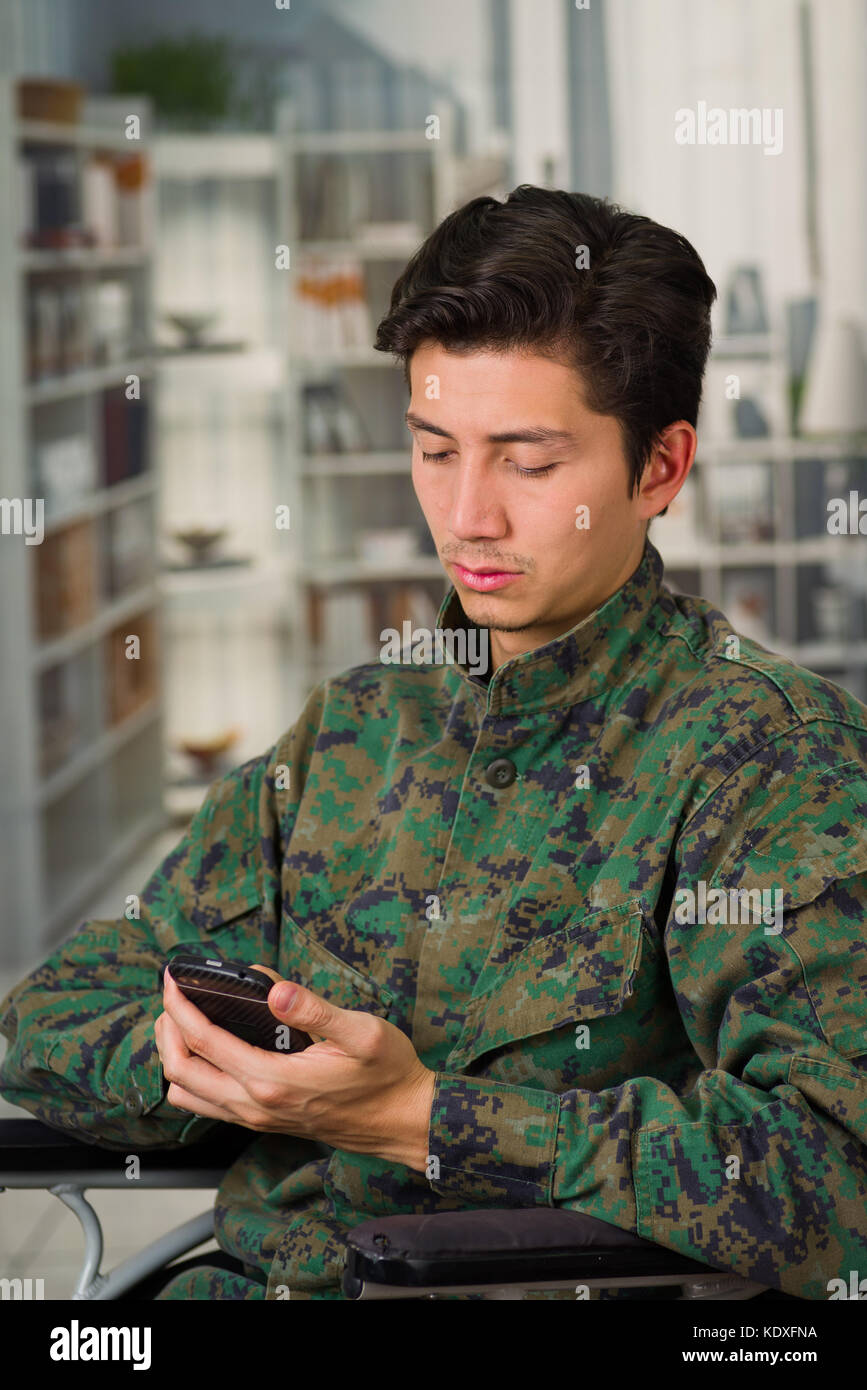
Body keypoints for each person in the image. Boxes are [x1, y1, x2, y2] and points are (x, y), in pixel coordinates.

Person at [3, 187, 866, 1302]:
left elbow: (835, 1180)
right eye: (433, 448)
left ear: (659, 468)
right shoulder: (354, 730)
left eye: (529, 461)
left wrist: (423, 1118)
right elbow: (52, 1014)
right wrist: (239, 1069)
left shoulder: (771, 763)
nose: (466, 516)